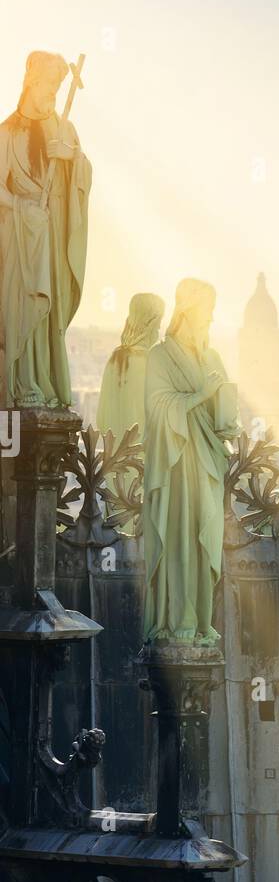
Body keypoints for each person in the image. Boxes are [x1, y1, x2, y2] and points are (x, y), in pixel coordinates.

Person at [142, 278, 238, 645]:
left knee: (205, 540)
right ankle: (179, 617)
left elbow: (222, 408)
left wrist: (227, 418)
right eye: (206, 314)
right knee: (181, 537)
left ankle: (201, 619)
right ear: (187, 313)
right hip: (176, 464)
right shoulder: (159, 357)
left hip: (207, 461)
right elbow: (157, 408)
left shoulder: (212, 358)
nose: (210, 322)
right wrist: (200, 395)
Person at [0, 51, 91, 407]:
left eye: (58, 85)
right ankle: (23, 385)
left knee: (50, 312)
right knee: (23, 309)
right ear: (30, 82)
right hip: (20, 238)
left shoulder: (65, 129)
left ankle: (47, 383)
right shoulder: (6, 133)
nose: (53, 91)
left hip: (52, 235)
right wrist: (21, 208)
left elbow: (84, 177)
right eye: (48, 84)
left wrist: (72, 159)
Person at [97, 293, 165, 441]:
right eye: (159, 322)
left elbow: (101, 419)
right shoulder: (150, 363)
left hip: (114, 457)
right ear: (151, 323)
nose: (160, 328)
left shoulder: (114, 359)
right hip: (142, 458)